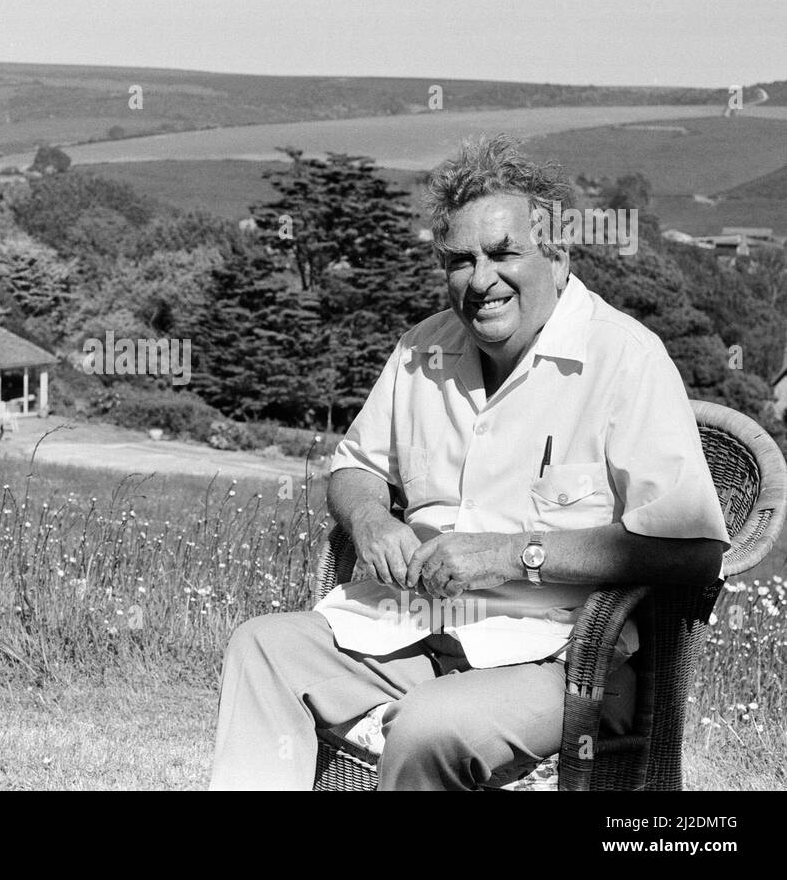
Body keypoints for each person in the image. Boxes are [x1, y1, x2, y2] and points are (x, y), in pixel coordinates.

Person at [209, 135, 730, 791]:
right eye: (459, 260)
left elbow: (694, 550)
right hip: (411, 633)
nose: (481, 280)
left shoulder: (627, 360)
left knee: (428, 726)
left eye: (504, 252)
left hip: (562, 662)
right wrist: (369, 520)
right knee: (260, 649)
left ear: (558, 253)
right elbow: (353, 466)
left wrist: (514, 555)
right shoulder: (420, 350)